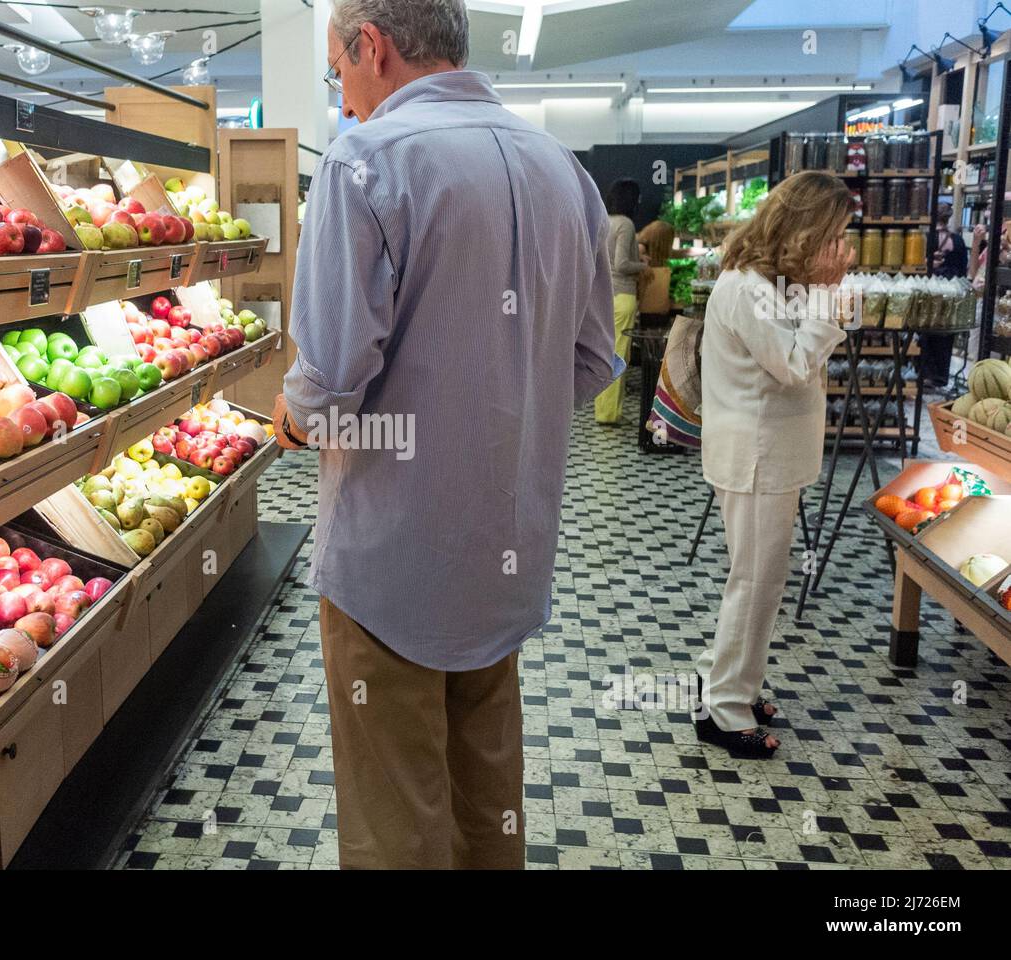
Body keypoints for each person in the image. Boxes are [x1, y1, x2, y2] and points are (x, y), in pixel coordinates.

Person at [272, 0, 619, 868]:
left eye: (337, 70)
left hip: (392, 563)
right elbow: (591, 360)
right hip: (507, 553)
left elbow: (329, 385)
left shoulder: (365, 162)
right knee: (486, 800)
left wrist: (292, 416)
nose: (343, 94)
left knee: (397, 822)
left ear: (372, 47)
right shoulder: (562, 170)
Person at [697, 170, 854, 758]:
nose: (843, 248)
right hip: (755, 455)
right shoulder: (745, 288)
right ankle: (725, 710)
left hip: (771, 454)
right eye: (836, 233)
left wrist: (816, 293)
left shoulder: (771, 280)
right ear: (806, 227)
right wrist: (824, 294)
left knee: (763, 579)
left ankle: (739, 682)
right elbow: (792, 364)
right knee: (756, 582)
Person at [595, 179, 646, 423]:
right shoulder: (625, 224)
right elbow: (622, 264)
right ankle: (610, 414)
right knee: (619, 355)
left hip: (605, 296)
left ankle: (603, 410)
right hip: (624, 295)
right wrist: (645, 266)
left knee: (605, 354)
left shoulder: (604, 221)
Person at [920, 202, 969, 390]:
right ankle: (940, 377)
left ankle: (924, 373)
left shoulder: (927, 238)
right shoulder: (958, 241)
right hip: (951, 294)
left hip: (928, 291)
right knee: (945, 335)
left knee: (925, 331)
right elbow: (963, 270)